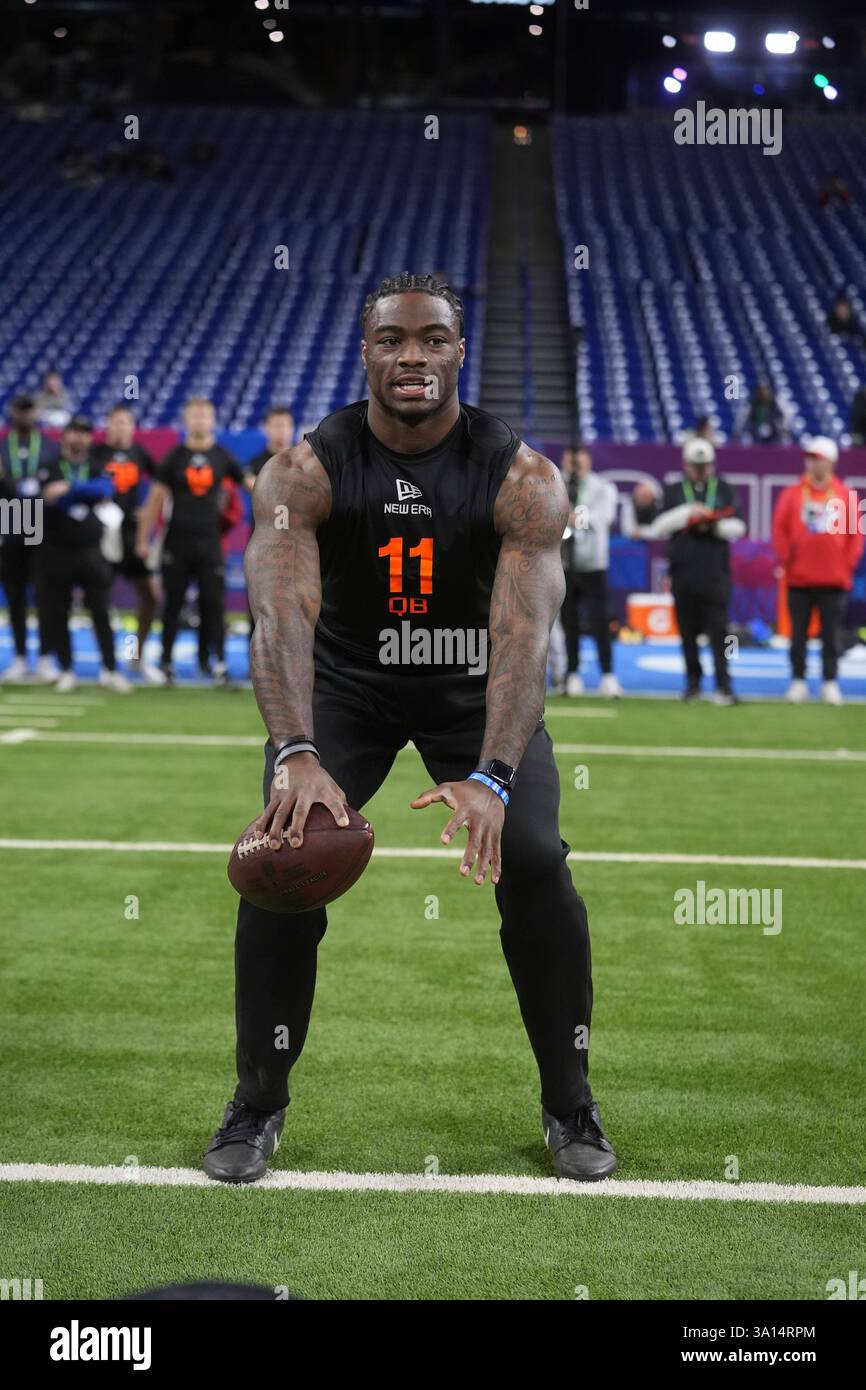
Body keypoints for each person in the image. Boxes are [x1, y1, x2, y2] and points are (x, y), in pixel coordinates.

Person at [202, 272, 616, 1185]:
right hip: (348, 682)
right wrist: (295, 756)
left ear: (460, 351)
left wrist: (496, 776)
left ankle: (570, 1102)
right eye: (392, 340)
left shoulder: (522, 478)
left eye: (432, 338)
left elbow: (520, 638)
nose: (414, 356)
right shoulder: (303, 471)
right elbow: (280, 622)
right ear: (367, 354)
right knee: (279, 862)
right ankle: (256, 1104)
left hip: (472, 686)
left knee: (539, 860)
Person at [135, 398, 247, 686]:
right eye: (194, 416)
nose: (200, 421)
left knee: (214, 604)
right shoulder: (174, 457)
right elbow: (154, 500)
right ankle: (166, 662)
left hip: (211, 543)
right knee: (172, 604)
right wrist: (142, 540)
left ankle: (219, 665)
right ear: (186, 421)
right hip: (177, 542)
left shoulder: (223, 456)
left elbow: (252, 485)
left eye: (205, 416)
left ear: (213, 421)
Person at [635, 438, 746, 703]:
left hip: (715, 573)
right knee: (687, 633)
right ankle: (693, 684)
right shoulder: (674, 490)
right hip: (683, 572)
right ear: (686, 464)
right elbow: (658, 526)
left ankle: (724, 685)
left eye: (704, 465)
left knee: (720, 632)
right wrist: (688, 513)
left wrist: (713, 522)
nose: (700, 470)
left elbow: (739, 526)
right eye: (696, 465)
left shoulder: (723, 489)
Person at [36, 417, 131, 694]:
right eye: (74, 432)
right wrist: (80, 493)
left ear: (90, 439)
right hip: (56, 551)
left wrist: (68, 489)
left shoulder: (97, 465)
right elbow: (46, 499)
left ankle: (110, 670)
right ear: (64, 436)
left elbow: (104, 490)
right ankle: (66, 669)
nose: (79, 438)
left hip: (92, 551)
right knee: (58, 612)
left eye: (85, 433)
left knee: (101, 612)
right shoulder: (50, 466)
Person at [772, 437, 863, 705]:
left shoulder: (844, 495)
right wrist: (788, 561)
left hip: (833, 580)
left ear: (831, 461)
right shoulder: (792, 493)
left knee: (831, 634)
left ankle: (830, 682)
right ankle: (798, 681)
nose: (812, 462)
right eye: (810, 457)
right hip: (799, 578)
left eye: (818, 458)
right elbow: (780, 530)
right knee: (797, 633)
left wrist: (844, 567)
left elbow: (854, 537)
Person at [90, 405, 163, 684]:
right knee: (99, 598)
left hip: (132, 535)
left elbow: (162, 482)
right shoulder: (95, 454)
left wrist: (147, 511)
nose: (122, 428)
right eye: (116, 422)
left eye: (126, 423)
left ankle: (137, 657)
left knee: (151, 597)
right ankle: (106, 662)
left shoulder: (139, 453)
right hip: (103, 534)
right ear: (108, 425)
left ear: (133, 427)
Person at [0, 393, 59, 681]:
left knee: (44, 595)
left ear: (36, 412)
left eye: (29, 410)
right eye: (19, 410)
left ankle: (46, 656)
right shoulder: (2, 448)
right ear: (12, 412)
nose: (24, 415)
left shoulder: (49, 448)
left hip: (41, 526)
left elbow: (59, 485)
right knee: (15, 597)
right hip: (10, 524)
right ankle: (21, 657)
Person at [559, 447, 622, 697]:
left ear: (588, 461)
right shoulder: (555, 483)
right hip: (564, 563)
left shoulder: (603, 487)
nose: (575, 465)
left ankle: (607, 675)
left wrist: (575, 517)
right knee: (569, 622)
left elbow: (603, 517)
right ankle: (571, 674)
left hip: (594, 564)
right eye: (570, 460)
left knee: (601, 622)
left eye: (579, 461)